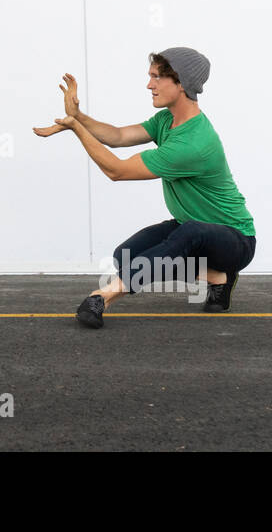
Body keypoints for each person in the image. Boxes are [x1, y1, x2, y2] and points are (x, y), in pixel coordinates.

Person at [32, 47, 257, 328]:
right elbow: (118, 136)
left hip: (235, 240)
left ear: (181, 83)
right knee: (124, 256)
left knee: (189, 232)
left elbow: (116, 171)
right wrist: (78, 117)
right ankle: (219, 277)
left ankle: (102, 297)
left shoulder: (193, 144)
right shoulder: (167, 120)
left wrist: (76, 129)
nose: (150, 85)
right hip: (192, 229)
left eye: (157, 77)